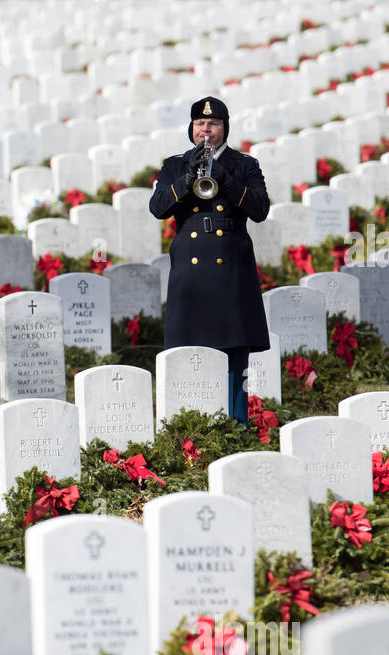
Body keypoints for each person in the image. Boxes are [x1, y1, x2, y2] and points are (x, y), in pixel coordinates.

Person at [147, 96, 271, 425]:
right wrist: (186, 180)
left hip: (230, 268)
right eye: (200, 124)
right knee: (189, 352)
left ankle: (236, 424)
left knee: (234, 352)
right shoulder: (175, 164)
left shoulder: (245, 164)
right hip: (190, 270)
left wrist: (228, 181)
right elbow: (158, 208)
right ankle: (190, 427)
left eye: (213, 124)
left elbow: (260, 210)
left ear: (224, 129)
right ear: (191, 128)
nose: (206, 130)